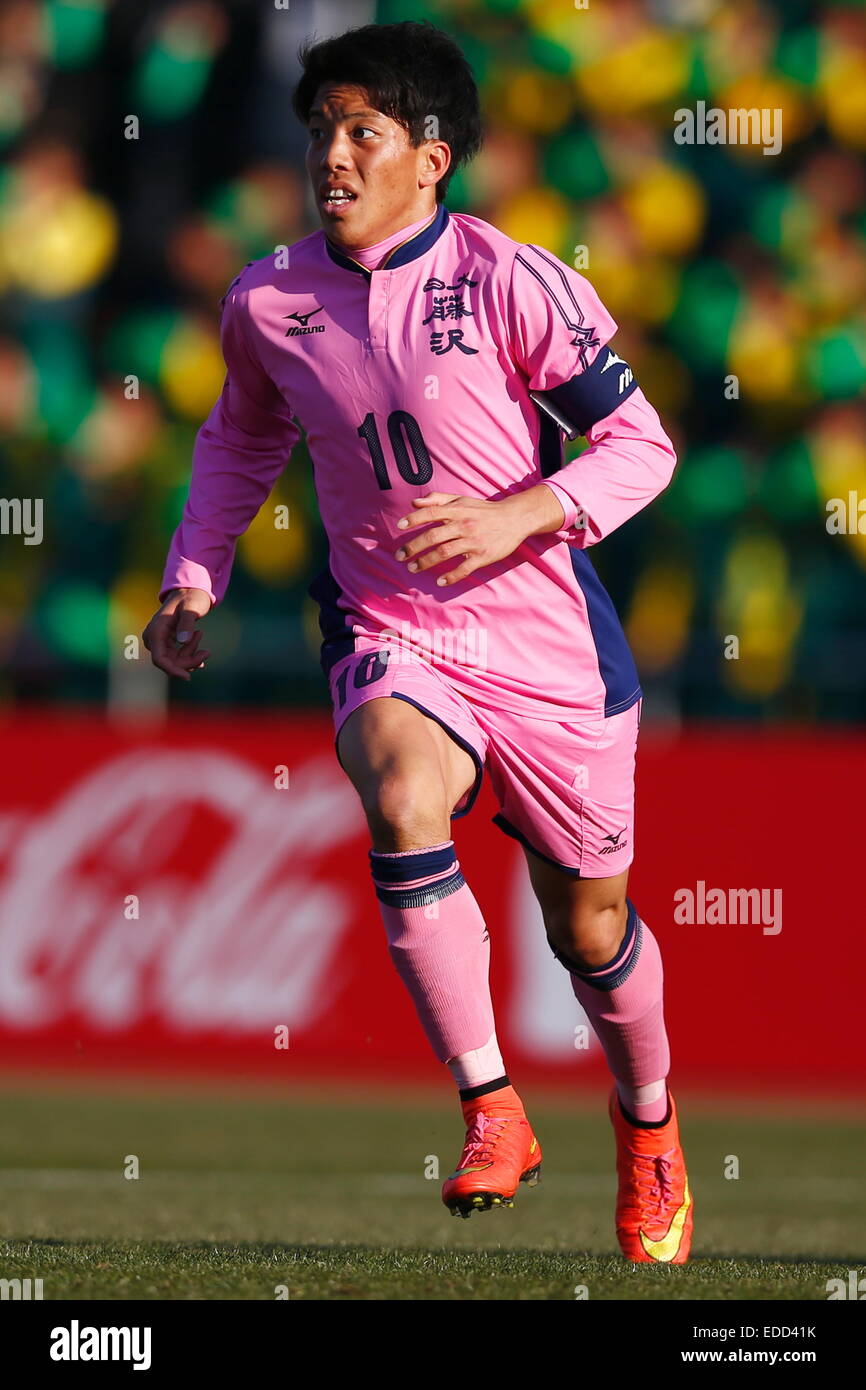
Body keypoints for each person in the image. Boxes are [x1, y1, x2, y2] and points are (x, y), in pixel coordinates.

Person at [144, 19, 693, 1264]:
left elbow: (643, 446)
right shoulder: (270, 299)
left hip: (550, 646)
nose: (330, 158)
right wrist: (194, 575)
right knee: (400, 793)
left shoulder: (509, 280)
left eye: (362, 134)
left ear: (430, 157)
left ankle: (649, 1127)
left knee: (588, 929)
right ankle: (490, 1106)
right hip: (392, 625)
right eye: (320, 134)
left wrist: (519, 509)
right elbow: (238, 442)